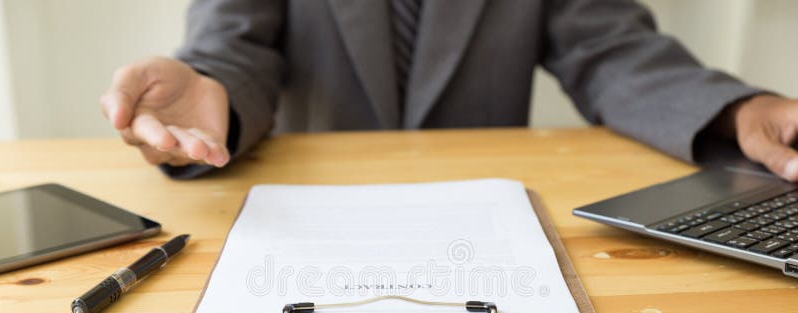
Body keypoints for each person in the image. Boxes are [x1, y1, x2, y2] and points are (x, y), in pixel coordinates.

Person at [100, 0, 798, 182]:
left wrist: (735, 110)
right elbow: (234, 46)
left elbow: (608, 48)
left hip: (489, 219)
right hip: (313, 208)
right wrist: (207, 96)